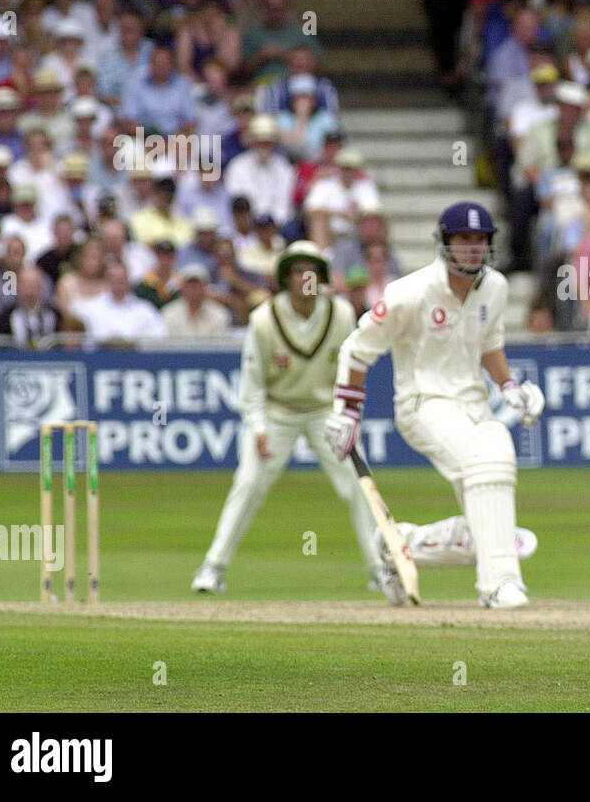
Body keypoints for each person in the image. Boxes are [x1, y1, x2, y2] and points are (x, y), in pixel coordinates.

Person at [324, 203, 546, 609]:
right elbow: (357, 349)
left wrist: (509, 386)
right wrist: (346, 411)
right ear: (445, 244)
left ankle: (400, 544)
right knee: (491, 453)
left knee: (489, 512)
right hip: (421, 402)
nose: (473, 249)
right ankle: (498, 585)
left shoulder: (495, 287)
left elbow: (490, 343)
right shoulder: (410, 293)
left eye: (480, 240)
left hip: (474, 404)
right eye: (464, 239)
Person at [191, 243, 391, 598]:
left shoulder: (342, 314)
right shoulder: (264, 320)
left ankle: (380, 569)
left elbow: (352, 370)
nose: (306, 278)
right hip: (277, 412)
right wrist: (258, 426)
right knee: (249, 482)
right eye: (298, 271)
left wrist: (346, 415)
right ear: (285, 278)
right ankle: (214, 566)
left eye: (312, 271)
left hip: (324, 413)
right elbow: (251, 381)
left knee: (359, 484)